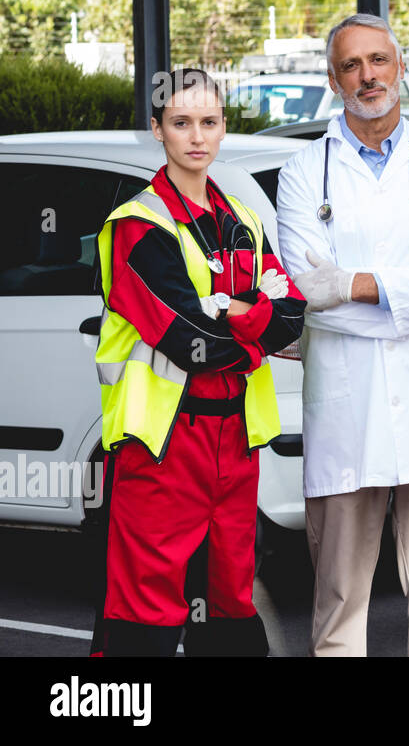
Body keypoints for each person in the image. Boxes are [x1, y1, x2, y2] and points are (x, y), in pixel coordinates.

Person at [275, 13, 409, 657]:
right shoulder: (302, 172)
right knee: (340, 593)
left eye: (378, 60)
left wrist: (357, 282)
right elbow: (312, 296)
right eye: (351, 65)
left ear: (399, 65)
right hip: (349, 408)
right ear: (334, 78)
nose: (367, 76)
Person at [91, 67, 305, 656]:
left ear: (222, 129)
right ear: (156, 129)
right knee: (146, 607)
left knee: (231, 601)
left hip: (235, 441)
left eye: (208, 123)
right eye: (181, 123)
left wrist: (233, 312)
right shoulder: (138, 227)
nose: (196, 137)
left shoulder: (242, 219)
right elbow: (193, 343)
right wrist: (256, 315)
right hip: (163, 441)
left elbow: (295, 315)